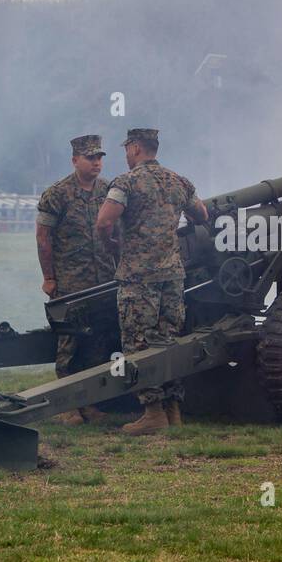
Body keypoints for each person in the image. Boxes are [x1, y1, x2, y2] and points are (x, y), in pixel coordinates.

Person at [95, 128, 208, 435]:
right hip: (172, 276)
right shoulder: (179, 181)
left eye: (127, 149)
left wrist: (114, 247)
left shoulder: (126, 183)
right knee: (168, 342)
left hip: (138, 278)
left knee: (139, 343)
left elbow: (104, 221)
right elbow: (202, 215)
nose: (126, 154)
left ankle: (153, 413)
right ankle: (173, 412)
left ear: (134, 148)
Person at [36, 134, 116, 425]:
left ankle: (90, 403)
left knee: (98, 343)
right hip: (71, 283)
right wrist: (49, 277)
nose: (97, 163)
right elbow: (43, 238)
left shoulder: (110, 190)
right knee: (69, 345)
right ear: (75, 160)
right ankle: (67, 405)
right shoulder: (56, 194)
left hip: (104, 281)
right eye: (90, 157)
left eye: (100, 157)